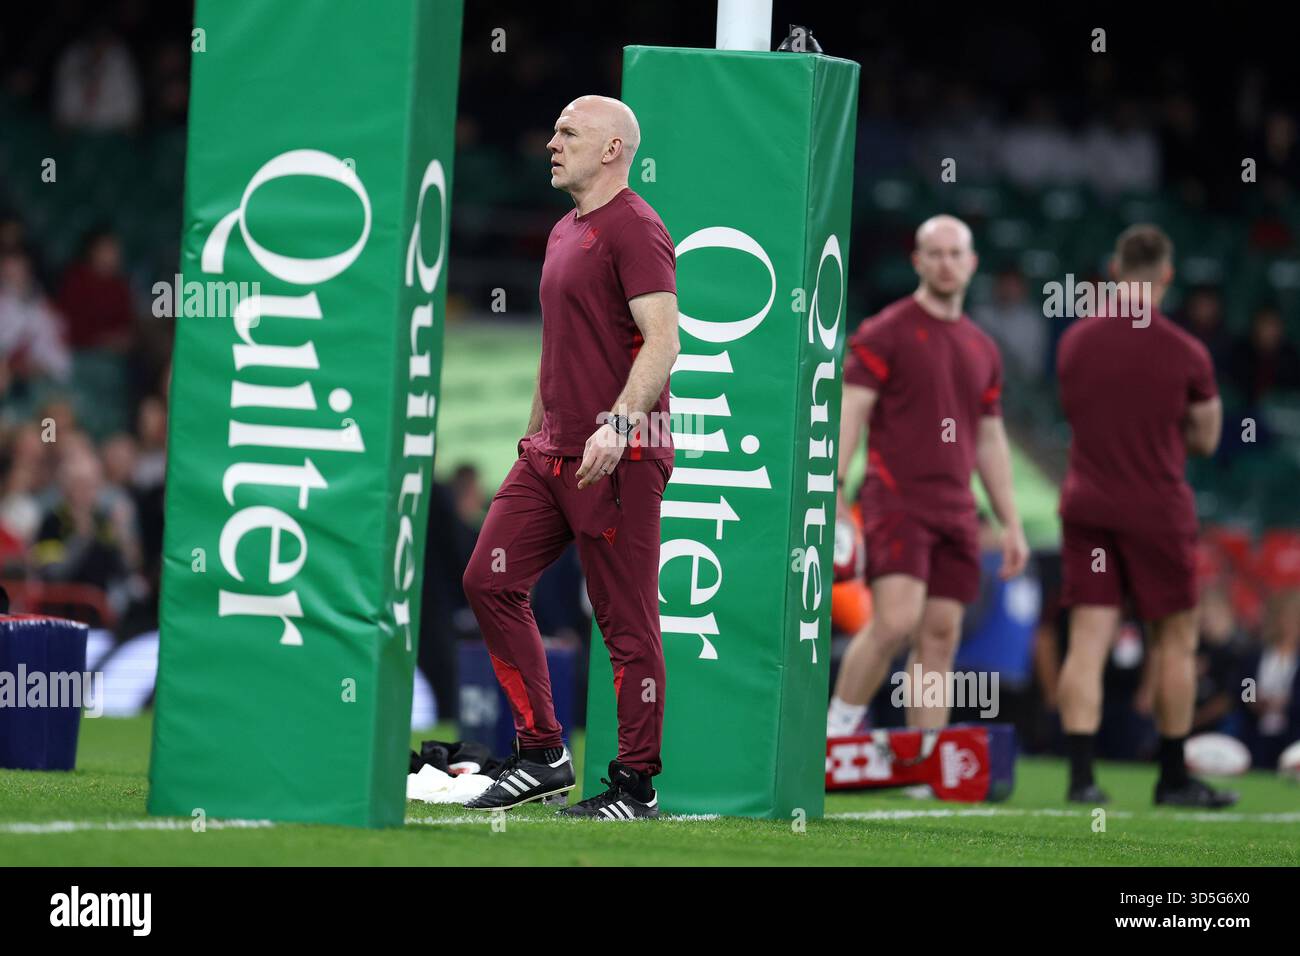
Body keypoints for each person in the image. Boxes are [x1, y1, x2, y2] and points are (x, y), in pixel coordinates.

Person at [461, 95, 679, 819]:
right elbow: (557, 351)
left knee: (625, 623)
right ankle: (542, 753)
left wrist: (618, 425)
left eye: (568, 133)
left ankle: (633, 787)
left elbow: (664, 340)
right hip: (551, 450)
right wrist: (531, 435)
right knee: (488, 580)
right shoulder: (562, 230)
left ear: (613, 149)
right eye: (554, 129)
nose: (551, 143)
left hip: (622, 453)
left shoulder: (637, 228)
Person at [1056, 224, 1235, 807]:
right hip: (1157, 508)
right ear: (1167, 275)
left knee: (1087, 641)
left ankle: (1082, 780)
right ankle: (1173, 779)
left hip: (1088, 504)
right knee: (1175, 643)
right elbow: (1207, 438)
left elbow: (1076, 412)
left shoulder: (1075, 342)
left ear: (1114, 269)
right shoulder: (1187, 351)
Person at [827, 215, 1028, 737]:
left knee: (940, 635)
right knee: (894, 621)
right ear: (917, 262)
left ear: (971, 263)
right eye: (934, 253)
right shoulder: (885, 331)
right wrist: (831, 489)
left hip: (956, 509)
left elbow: (990, 439)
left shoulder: (983, 348)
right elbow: (852, 412)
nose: (945, 263)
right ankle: (835, 732)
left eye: (954, 253)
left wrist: (1012, 522)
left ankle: (924, 757)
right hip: (896, 499)